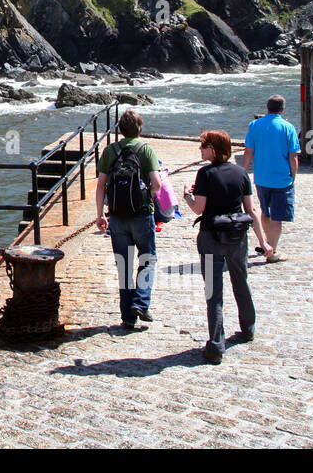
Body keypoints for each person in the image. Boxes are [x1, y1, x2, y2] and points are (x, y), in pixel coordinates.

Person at [182, 130, 273, 364]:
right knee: (241, 281)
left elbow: (199, 209)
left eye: (203, 145)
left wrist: (186, 196)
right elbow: (252, 210)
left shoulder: (205, 174)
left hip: (212, 236)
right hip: (237, 237)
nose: (200, 149)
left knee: (214, 291)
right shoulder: (241, 173)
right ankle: (248, 328)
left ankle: (215, 345)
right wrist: (263, 241)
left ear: (214, 148)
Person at [95, 110, 162, 329]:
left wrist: (99, 215)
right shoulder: (145, 150)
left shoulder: (110, 150)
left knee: (123, 265)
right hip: (141, 213)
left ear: (120, 129)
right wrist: (144, 194)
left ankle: (127, 317)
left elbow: (100, 185)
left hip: (116, 215)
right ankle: (141, 303)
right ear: (140, 128)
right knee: (147, 259)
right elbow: (157, 184)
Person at [242, 94, 300, 263]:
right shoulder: (288, 127)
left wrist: (242, 173)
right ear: (282, 110)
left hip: (261, 178)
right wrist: (293, 176)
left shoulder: (254, 125)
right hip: (281, 179)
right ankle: (272, 252)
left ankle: (266, 244)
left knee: (265, 212)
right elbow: (293, 157)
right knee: (277, 217)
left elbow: (248, 152)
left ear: (267, 108)